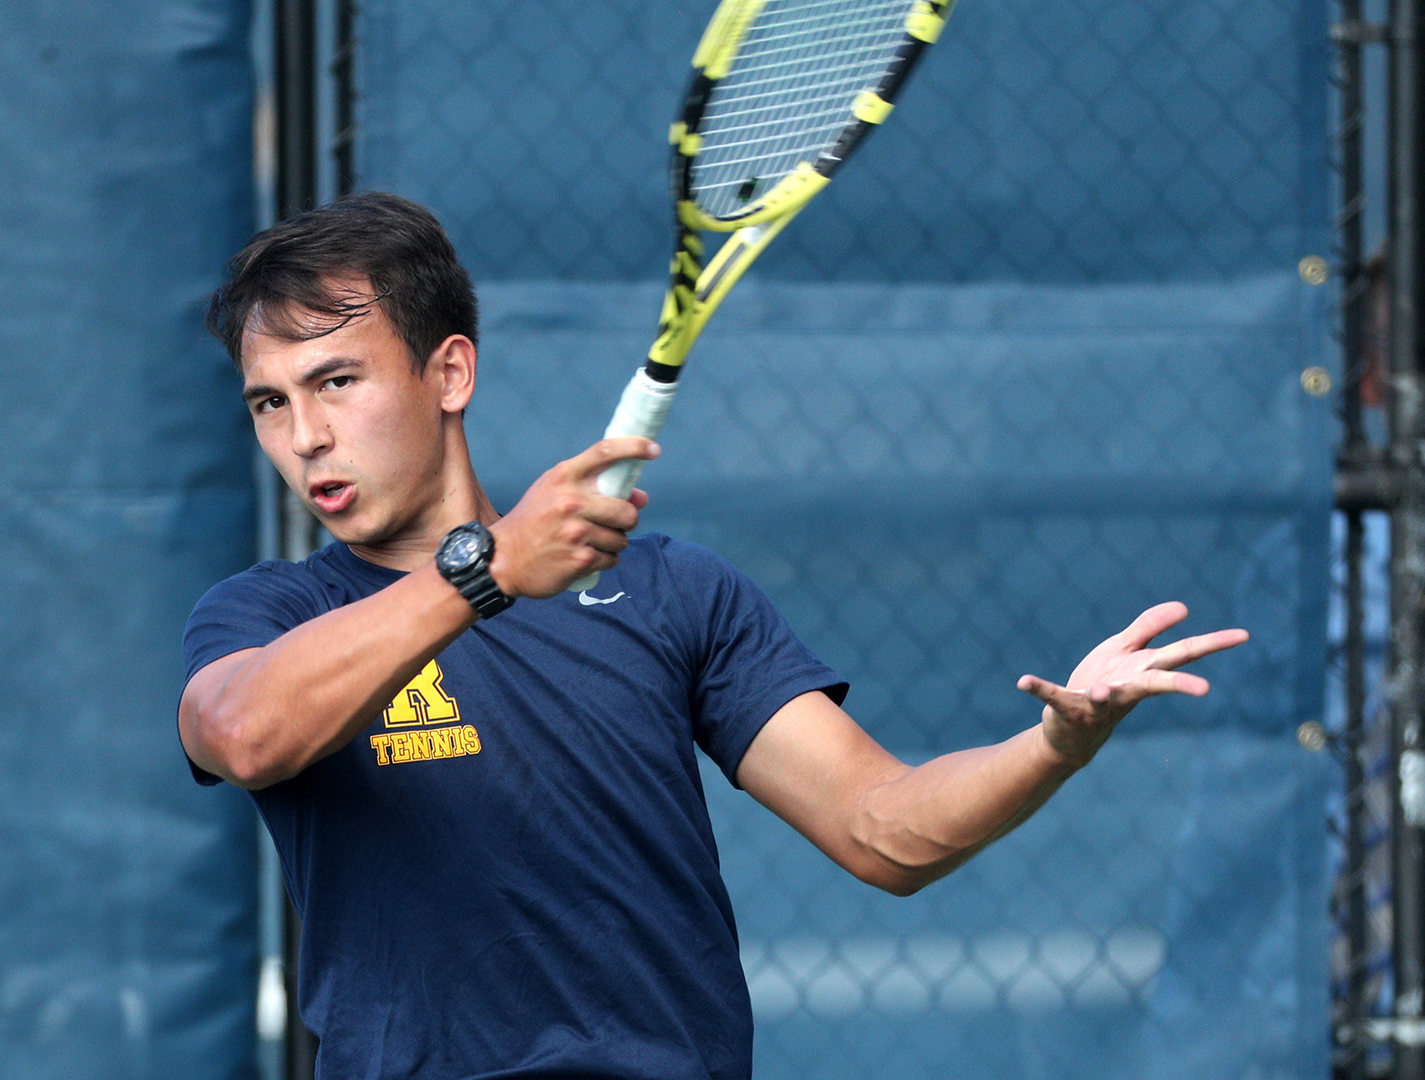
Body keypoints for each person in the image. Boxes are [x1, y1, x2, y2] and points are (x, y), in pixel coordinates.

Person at [178, 191, 1247, 1080]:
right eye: (269, 403)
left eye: (336, 381)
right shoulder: (269, 618)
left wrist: (1056, 745)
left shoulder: (673, 594)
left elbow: (883, 833)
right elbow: (246, 735)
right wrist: (490, 570)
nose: (305, 434)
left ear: (448, 373)